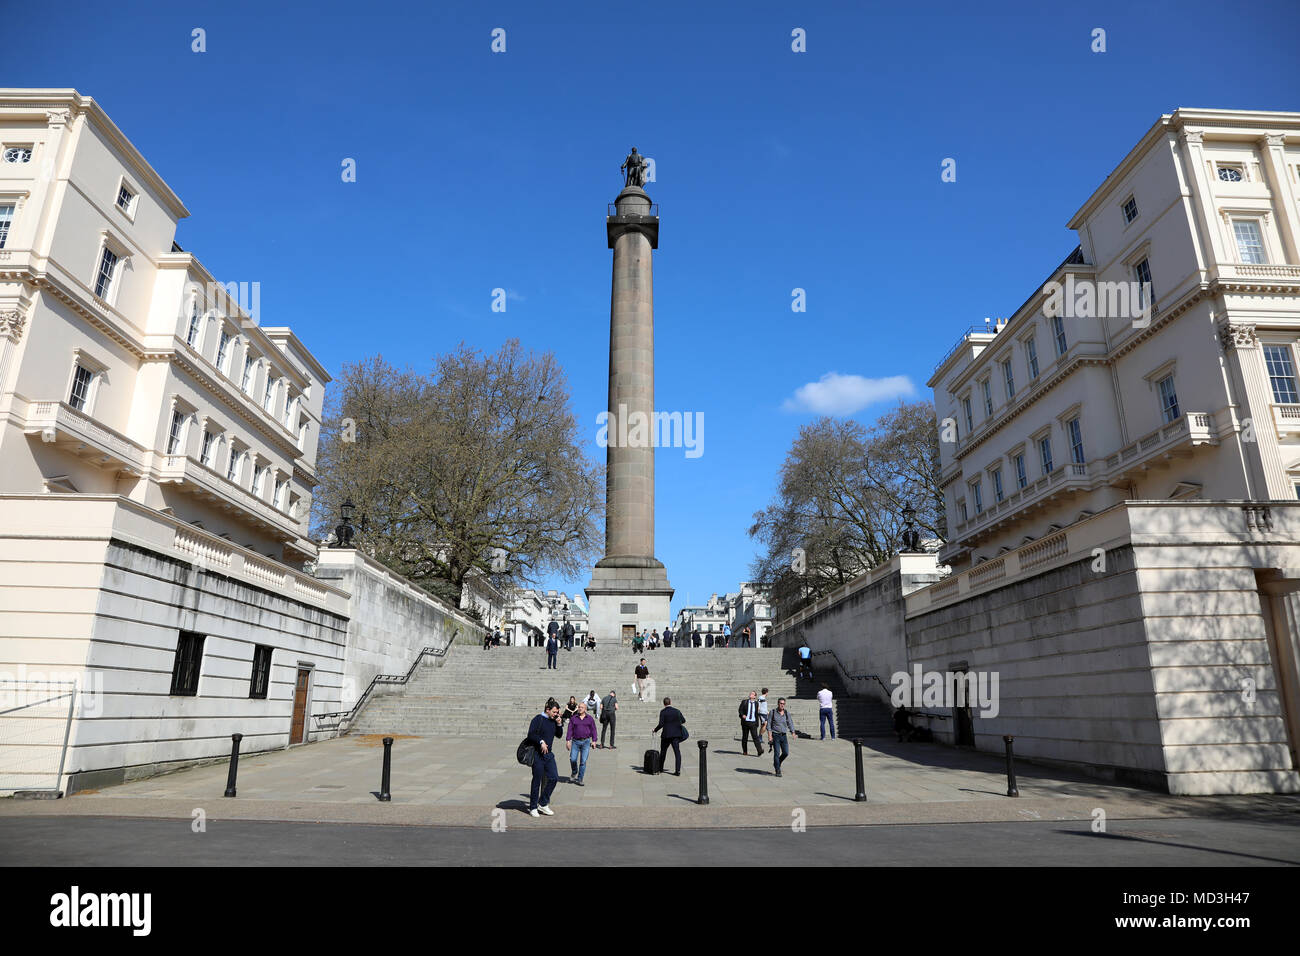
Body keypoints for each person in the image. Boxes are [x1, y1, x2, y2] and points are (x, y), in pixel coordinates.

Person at [526, 699, 564, 816]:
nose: (556, 714)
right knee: (536, 781)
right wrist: (541, 741)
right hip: (537, 754)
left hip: (548, 755)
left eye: (557, 712)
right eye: (554, 712)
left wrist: (559, 724)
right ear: (547, 710)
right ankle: (533, 807)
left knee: (554, 777)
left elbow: (559, 735)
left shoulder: (553, 721)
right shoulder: (538, 719)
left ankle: (542, 803)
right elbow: (531, 734)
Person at [652, 697, 687, 775]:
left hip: (666, 735)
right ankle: (678, 771)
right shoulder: (677, 711)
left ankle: (660, 769)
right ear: (670, 702)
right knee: (677, 753)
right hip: (676, 735)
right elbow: (683, 720)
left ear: (664, 704)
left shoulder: (663, 712)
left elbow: (661, 724)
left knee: (663, 752)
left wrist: (655, 730)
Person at [566, 700, 598, 785]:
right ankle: (574, 771)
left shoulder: (590, 719)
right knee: (573, 759)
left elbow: (594, 730)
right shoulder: (573, 718)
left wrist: (594, 741)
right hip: (575, 742)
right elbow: (569, 730)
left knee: (583, 761)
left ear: (585, 709)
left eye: (582, 707)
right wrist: (568, 740)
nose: (580, 709)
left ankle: (580, 778)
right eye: (579, 707)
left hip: (586, 742)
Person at [767, 697, 795, 776]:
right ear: (778, 704)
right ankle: (777, 770)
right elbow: (768, 724)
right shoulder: (773, 712)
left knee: (786, 753)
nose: (782, 705)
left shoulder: (786, 713)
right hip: (775, 735)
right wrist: (770, 736)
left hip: (783, 736)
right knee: (777, 753)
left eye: (783, 704)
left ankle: (777, 763)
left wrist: (793, 732)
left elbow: (790, 723)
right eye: (781, 703)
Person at [738, 690, 764, 756]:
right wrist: (742, 715)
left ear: (755, 696)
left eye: (752, 694)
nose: (750, 694)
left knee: (755, 737)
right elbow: (740, 710)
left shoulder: (756, 703)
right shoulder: (744, 702)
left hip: (753, 723)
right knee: (745, 737)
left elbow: (756, 714)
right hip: (745, 722)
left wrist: (757, 723)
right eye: (750, 693)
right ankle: (745, 751)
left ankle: (759, 750)